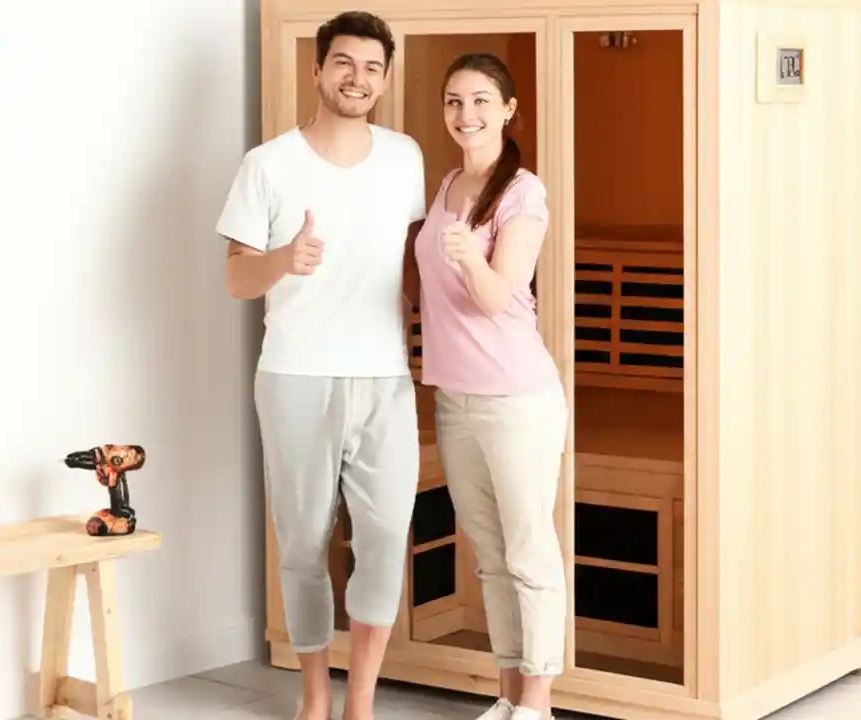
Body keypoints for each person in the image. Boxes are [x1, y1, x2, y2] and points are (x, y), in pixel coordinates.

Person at [216, 10, 427, 720]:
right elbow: (237, 280)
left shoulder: (406, 156)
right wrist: (285, 259)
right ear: (317, 70)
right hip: (296, 375)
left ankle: (360, 701)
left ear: (386, 78)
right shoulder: (269, 163)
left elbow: (413, 266)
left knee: (387, 537)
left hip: (385, 376)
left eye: (372, 67)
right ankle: (313, 692)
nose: (357, 78)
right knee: (303, 544)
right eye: (343, 63)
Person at [405, 52, 568, 720]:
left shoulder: (523, 192)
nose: (464, 114)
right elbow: (422, 291)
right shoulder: (444, 186)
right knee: (492, 557)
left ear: (508, 109)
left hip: (517, 400)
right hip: (455, 398)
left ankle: (538, 702)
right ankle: (506, 698)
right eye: (453, 101)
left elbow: (500, 295)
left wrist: (472, 255)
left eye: (479, 101)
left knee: (530, 552)